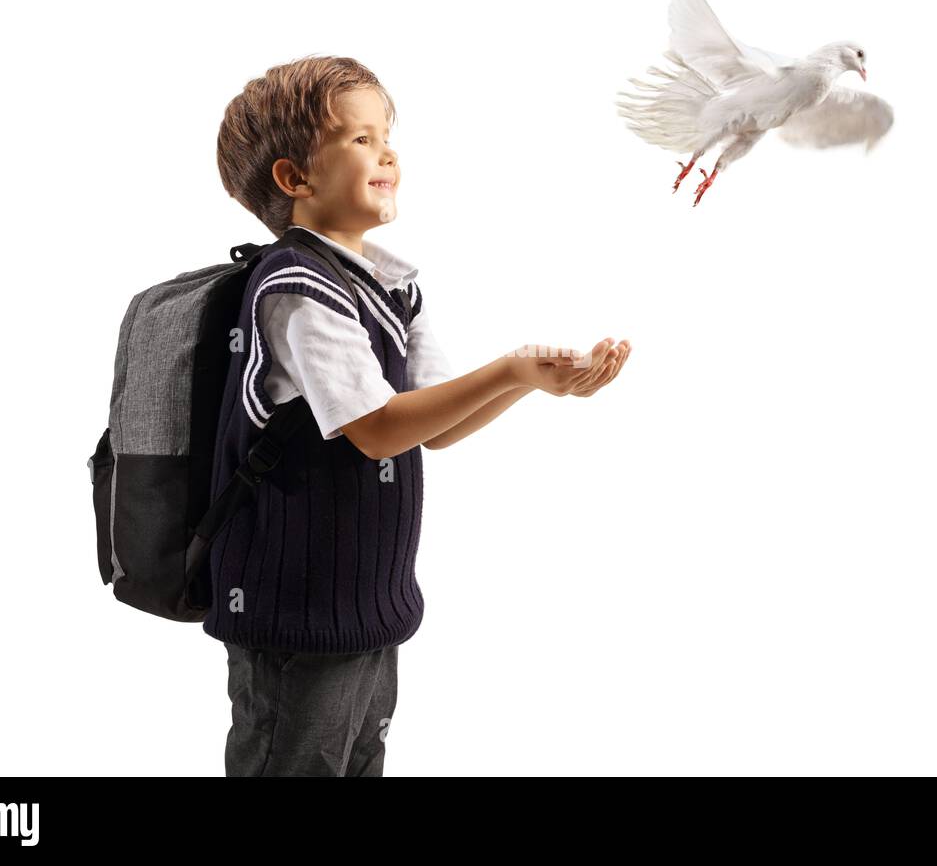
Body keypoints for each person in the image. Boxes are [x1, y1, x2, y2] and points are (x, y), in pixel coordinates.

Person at [207, 54, 630, 775]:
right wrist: (509, 368)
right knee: (296, 757)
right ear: (294, 179)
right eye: (360, 139)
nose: (388, 152)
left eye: (387, 135)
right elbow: (377, 429)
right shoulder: (299, 291)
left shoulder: (392, 287)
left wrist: (530, 382)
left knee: (361, 752)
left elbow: (431, 425)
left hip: (364, 596)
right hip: (297, 601)